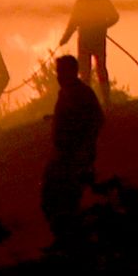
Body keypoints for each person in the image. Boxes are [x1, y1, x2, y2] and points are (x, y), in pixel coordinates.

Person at [40, 54, 105, 239]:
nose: (58, 76)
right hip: (61, 157)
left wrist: (84, 150)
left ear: (73, 72)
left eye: (61, 71)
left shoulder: (82, 93)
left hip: (74, 158)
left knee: (66, 201)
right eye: (57, 72)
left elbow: (96, 120)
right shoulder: (66, 93)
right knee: (52, 199)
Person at [59, 0, 121, 106]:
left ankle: (106, 100)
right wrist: (65, 38)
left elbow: (114, 17)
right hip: (86, 41)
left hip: (95, 40)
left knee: (100, 70)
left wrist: (104, 25)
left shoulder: (99, 1)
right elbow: (73, 23)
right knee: (86, 73)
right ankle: (88, 103)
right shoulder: (84, 3)